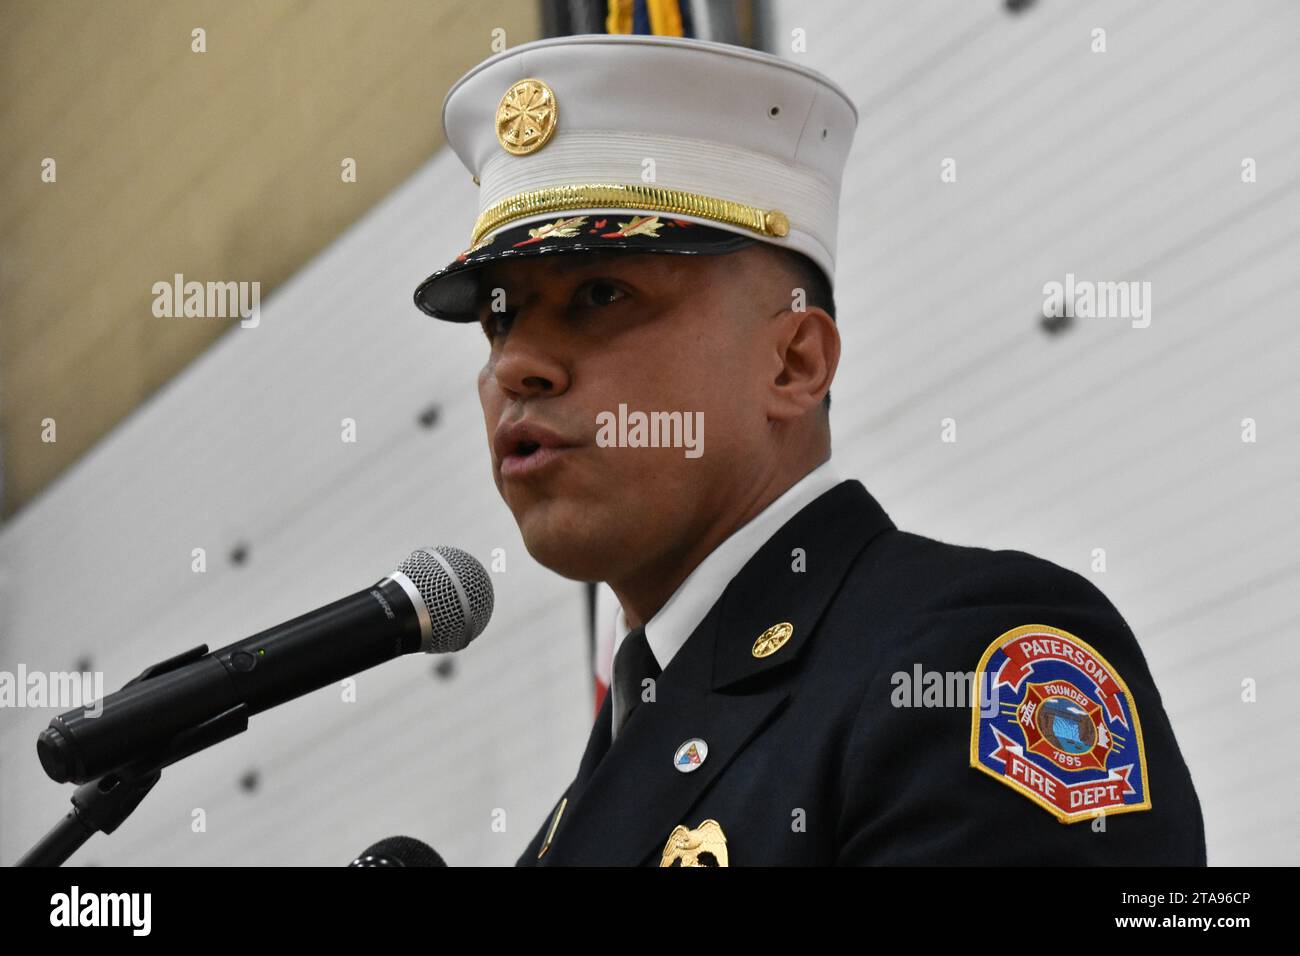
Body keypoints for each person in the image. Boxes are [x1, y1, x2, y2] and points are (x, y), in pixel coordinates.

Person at [412, 34, 1206, 865]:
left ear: (794, 362)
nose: (514, 366)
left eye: (601, 294)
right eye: (498, 321)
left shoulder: (967, 666)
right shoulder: (577, 809)